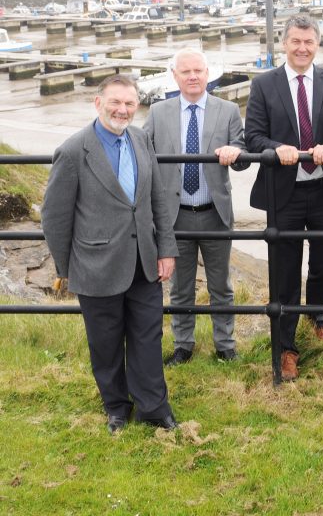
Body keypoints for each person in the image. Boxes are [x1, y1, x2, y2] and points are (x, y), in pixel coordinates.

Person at [41, 74, 179, 434]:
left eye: (130, 104)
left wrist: (166, 249)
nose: (123, 110)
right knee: (105, 343)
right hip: (95, 267)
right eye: (115, 102)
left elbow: (156, 200)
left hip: (144, 261)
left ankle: (153, 407)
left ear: (137, 105)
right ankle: (116, 408)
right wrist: (68, 268)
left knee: (149, 338)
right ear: (98, 103)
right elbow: (54, 218)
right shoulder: (73, 151)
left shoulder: (140, 138)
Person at [245, 14, 323, 381]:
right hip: (284, 191)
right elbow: (254, 137)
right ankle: (286, 346)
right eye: (295, 41)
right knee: (285, 270)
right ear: (284, 43)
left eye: (309, 42)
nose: (302, 48)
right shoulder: (264, 85)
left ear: (317, 45)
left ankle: (318, 321)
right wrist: (280, 149)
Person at [143, 48, 248, 365]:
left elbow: (243, 152)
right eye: (185, 71)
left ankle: (225, 344)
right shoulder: (158, 113)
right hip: (174, 218)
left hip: (214, 213)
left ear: (208, 74)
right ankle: (183, 344)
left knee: (221, 285)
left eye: (198, 71)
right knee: (180, 287)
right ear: (174, 75)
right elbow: (141, 153)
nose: (192, 76)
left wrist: (236, 151)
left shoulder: (227, 110)